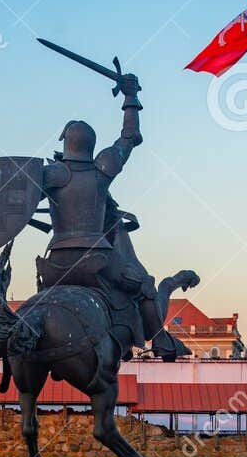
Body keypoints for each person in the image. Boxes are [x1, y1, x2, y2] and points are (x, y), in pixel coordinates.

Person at [36, 71, 187, 360]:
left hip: (56, 261)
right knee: (144, 286)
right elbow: (130, 137)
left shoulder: (50, 175)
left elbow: (17, 197)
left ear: (65, 144)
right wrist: (131, 96)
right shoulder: (101, 170)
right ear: (90, 146)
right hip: (97, 259)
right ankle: (159, 340)